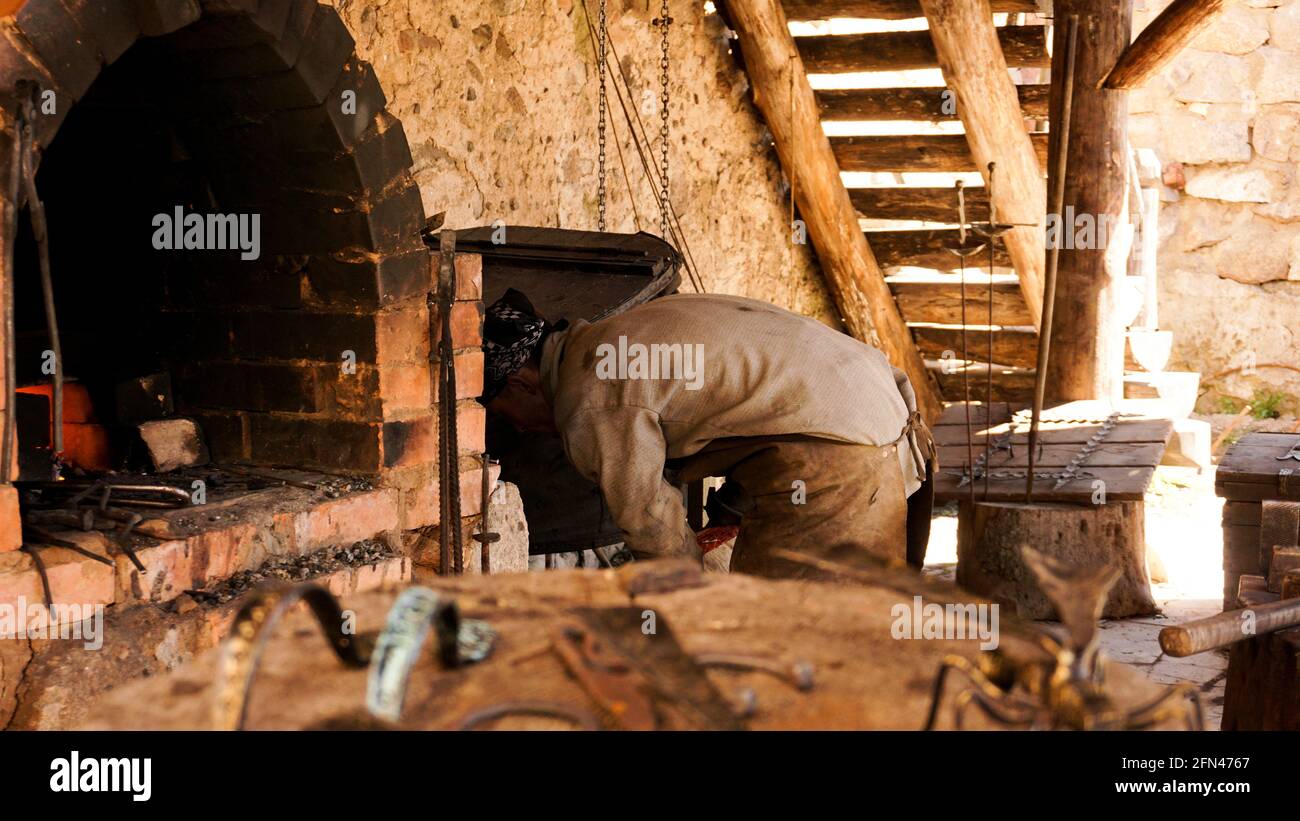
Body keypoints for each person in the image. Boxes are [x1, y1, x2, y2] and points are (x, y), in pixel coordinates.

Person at [481, 288, 935, 579]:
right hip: (888, 416)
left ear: (523, 381)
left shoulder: (590, 394)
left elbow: (648, 520)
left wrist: (683, 599)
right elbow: (761, 402)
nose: (518, 426)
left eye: (507, 413)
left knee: (777, 642)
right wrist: (733, 507)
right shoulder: (625, 329)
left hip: (848, 463)